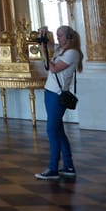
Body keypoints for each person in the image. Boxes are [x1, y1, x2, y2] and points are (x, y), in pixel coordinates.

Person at [34, 25, 83, 180]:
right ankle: (68, 166)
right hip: (50, 93)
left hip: (57, 95)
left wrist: (44, 52)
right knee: (58, 131)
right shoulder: (60, 50)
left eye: (60, 36)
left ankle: (53, 168)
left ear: (69, 37)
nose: (57, 38)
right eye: (56, 35)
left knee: (51, 131)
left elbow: (53, 69)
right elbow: (48, 45)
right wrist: (42, 35)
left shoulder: (72, 53)